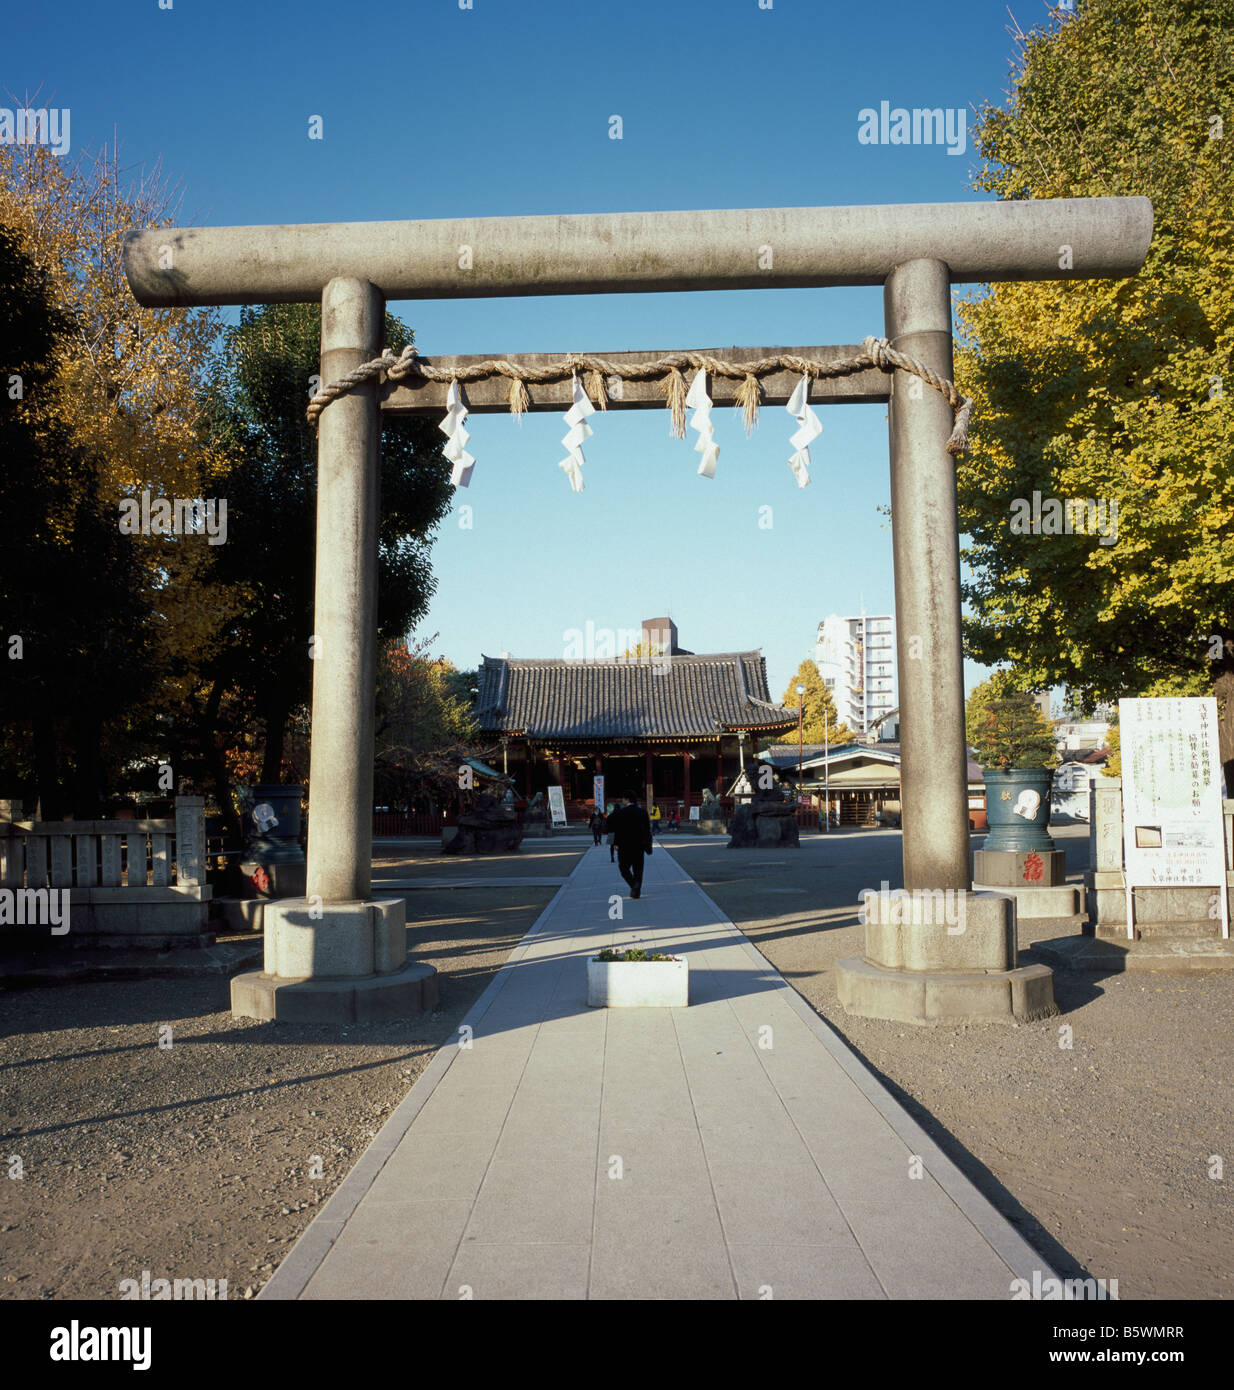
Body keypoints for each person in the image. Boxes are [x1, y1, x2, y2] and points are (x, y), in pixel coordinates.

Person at [610, 789, 653, 899]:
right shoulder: (642, 812)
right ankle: (636, 890)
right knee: (638, 869)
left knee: (623, 868)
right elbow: (647, 830)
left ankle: (634, 885)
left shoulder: (621, 813)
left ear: (627, 799)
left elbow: (615, 829)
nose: (622, 800)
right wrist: (648, 845)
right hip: (639, 845)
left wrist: (614, 843)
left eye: (623, 798)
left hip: (624, 846)